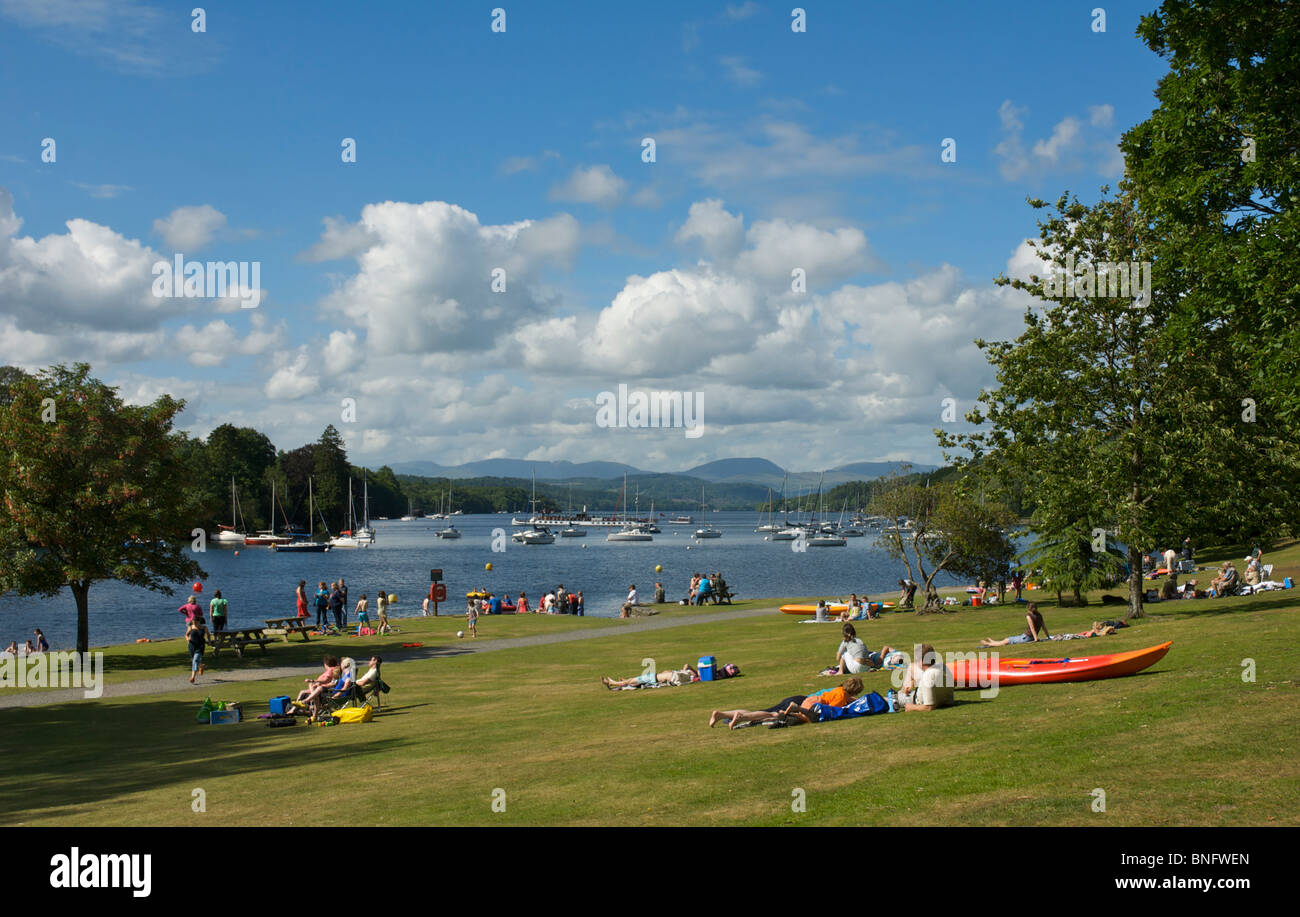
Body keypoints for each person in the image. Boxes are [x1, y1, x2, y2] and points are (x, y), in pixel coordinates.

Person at [900, 644, 954, 712]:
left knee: (894, 697)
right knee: (911, 668)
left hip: (915, 699)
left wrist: (912, 707)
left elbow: (929, 707)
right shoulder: (942, 666)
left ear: (921, 661)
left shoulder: (927, 676)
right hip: (943, 700)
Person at [710, 697, 814, 730]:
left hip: (795, 698)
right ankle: (741, 717)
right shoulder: (825, 696)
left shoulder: (823, 692)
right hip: (800, 701)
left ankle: (721, 714)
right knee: (771, 715)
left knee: (763, 711)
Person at [980, 603, 1050, 646]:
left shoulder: (1029, 616)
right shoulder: (1039, 615)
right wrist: (1048, 637)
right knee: (1008, 639)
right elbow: (1044, 627)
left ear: (1029, 609)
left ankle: (988, 644)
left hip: (1026, 638)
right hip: (1027, 637)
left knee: (1007, 641)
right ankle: (994, 642)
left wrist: (1035, 639)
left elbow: (1032, 628)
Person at [602, 663, 699, 690]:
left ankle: (612, 683)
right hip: (656, 676)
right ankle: (625, 681)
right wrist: (695, 672)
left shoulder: (687, 675)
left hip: (653, 678)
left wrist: (695, 672)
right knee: (632, 681)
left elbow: (687, 665)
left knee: (631, 681)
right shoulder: (687, 675)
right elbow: (686, 666)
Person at [185, 618, 208, 684]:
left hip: (200, 646)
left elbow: (208, 635)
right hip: (192, 646)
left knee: (195, 660)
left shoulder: (204, 628)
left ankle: (192, 677)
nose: (194, 623)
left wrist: (209, 641)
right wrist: (187, 639)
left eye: (195, 622)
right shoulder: (191, 627)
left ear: (199, 621)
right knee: (194, 660)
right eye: (193, 622)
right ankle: (201, 666)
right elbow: (186, 635)